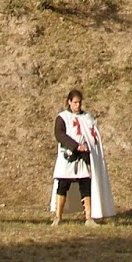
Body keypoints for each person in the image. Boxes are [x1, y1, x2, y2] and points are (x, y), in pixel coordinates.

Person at [50, 88, 111, 226]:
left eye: (79, 102)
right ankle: (58, 217)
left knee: (85, 185)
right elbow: (59, 135)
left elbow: (93, 136)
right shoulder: (62, 117)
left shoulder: (87, 118)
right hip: (68, 156)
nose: (77, 105)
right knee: (63, 185)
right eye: (75, 102)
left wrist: (88, 149)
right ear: (69, 102)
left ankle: (89, 218)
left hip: (83, 157)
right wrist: (75, 146)